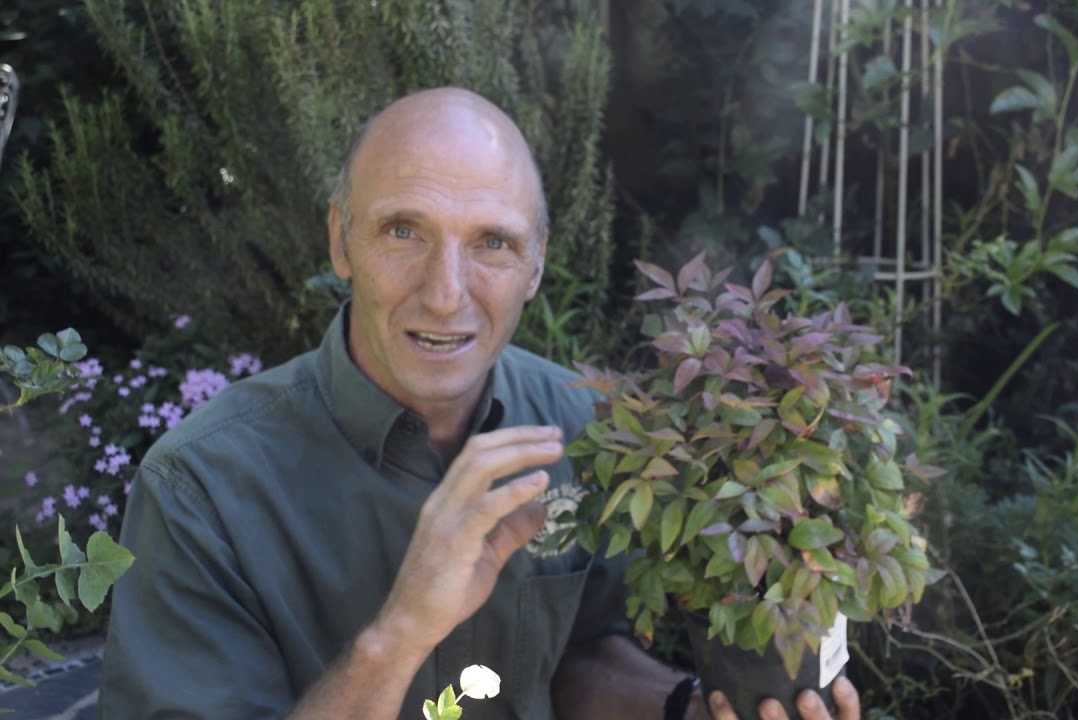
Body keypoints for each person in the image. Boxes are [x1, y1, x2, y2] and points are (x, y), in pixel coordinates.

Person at [97, 87, 862, 720]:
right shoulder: (200, 488)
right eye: (405, 230)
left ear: (534, 265)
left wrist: (690, 709)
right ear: (340, 242)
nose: (446, 293)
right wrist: (400, 631)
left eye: (492, 243)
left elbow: (581, 655)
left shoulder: (581, 427)